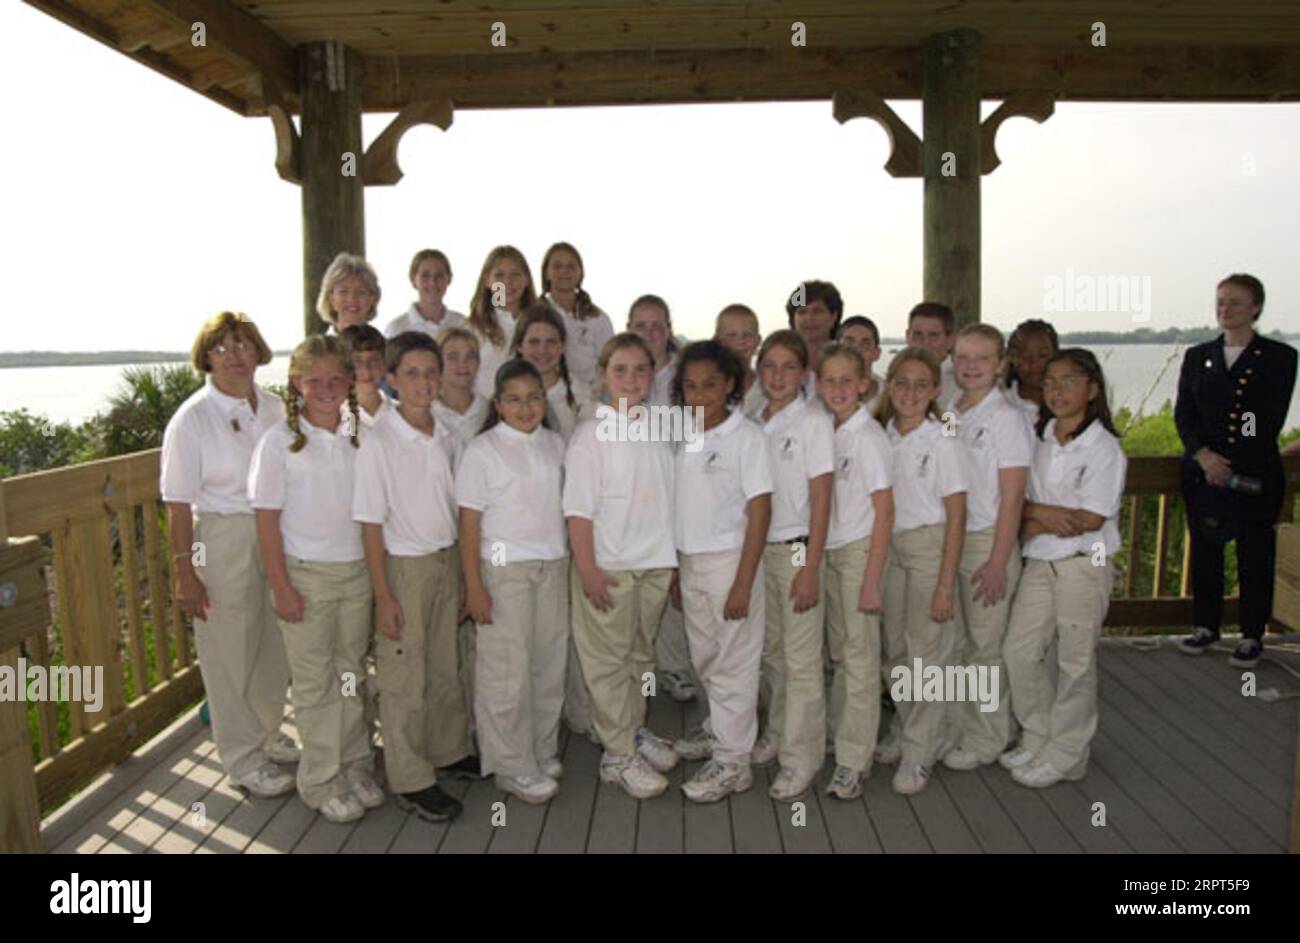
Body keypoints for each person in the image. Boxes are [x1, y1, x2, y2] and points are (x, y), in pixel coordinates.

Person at [161, 312, 295, 800]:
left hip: (276, 533)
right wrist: (186, 572)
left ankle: (265, 732)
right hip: (221, 537)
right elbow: (177, 503)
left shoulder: (276, 408)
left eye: (243, 345)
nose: (236, 356)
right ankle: (241, 758)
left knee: (271, 642)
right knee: (228, 651)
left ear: (259, 351)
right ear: (207, 357)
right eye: (223, 348)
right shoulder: (192, 419)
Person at [249, 335, 380, 824]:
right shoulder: (278, 442)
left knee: (350, 676)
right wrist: (281, 585)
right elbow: (265, 521)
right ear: (296, 384)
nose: (325, 389)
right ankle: (320, 779)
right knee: (314, 684)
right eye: (314, 381)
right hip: (305, 576)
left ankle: (353, 763)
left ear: (349, 381)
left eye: (335, 379)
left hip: (356, 573)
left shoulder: (360, 432)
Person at [352, 332, 470, 824]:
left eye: (431, 372)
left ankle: (448, 750)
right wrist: (384, 595)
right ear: (392, 379)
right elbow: (370, 523)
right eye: (413, 373)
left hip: (444, 561)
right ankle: (411, 776)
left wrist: (465, 574)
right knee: (404, 676)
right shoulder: (379, 441)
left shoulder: (446, 431)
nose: (424, 382)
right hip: (404, 568)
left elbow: (458, 509)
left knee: (444, 666)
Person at [1002, 349, 1126, 788]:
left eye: (1069, 381)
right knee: (1019, 651)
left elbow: (1090, 519)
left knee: (1075, 661)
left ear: (1092, 389)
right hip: (1042, 560)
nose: (1057, 390)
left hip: (1084, 563)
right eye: (1050, 382)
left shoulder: (1104, 447)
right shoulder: (1042, 437)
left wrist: (1033, 516)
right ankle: (1039, 733)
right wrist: (1038, 515)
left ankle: (1068, 753)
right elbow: (1021, 506)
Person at [564, 333, 681, 799]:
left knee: (639, 655)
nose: (631, 379)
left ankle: (631, 730)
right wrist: (588, 569)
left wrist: (671, 563)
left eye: (640, 370)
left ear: (653, 376)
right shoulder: (591, 435)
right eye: (620, 370)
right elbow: (578, 512)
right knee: (607, 663)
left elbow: (669, 495)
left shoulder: (662, 426)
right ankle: (617, 755)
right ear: (603, 376)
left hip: (653, 562)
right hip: (609, 567)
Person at [456, 360, 569, 804]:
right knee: (507, 672)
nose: (525, 407)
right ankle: (510, 765)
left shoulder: (556, 445)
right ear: (499, 405)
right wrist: (474, 587)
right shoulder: (482, 451)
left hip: (552, 566)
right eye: (514, 399)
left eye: (534, 397)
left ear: (545, 400)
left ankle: (540, 749)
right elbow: (469, 524)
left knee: (547, 664)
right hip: (504, 571)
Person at [1176, 274, 1298, 668]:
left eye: (1236, 302)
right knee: (1206, 552)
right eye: (1221, 301)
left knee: (1255, 556)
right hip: (1203, 471)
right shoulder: (1198, 356)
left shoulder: (1279, 357)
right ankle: (1205, 627)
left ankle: (1250, 634)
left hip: (1253, 473)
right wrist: (1204, 455)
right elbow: (1186, 413)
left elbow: (1261, 418)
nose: (1225, 309)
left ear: (1256, 308)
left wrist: (1231, 461)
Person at [670, 341, 773, 803]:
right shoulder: (682, 435)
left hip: (731, 563)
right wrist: (676, 568)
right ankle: (720, 730)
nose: (701, 393)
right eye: (691, 385)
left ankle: (734, 763)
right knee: (706, 658)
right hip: (690, 562)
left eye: (711, 383)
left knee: (734, 664)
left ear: (730, 384)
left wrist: (744, 582)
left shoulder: (746, 436)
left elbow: (760, 510)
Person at [877, 347, 967, 796]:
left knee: (924, 655)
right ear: (888, 385)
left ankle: (920, 752)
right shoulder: (884, 435)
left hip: (929, 547)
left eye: (920, 385)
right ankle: (907, 727)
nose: (909, 393)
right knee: (894, 651)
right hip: (890, 548)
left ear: (934, 390)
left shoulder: (942, 439)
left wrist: (945, 585)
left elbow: (957, 515)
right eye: (901, 383)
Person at [750, 330, 834, 802]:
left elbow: (823, 500)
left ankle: (801, 758)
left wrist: (810, 566)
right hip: (760, 551)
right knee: (774, 654)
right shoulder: (754, 418)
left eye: (788, 367)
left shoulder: (813, 422)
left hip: (797, 548)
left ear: (804, 374)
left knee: (802, 663)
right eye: (769, 366)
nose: (777, 376)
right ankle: (779, 732)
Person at [943, 325, 1031, 772]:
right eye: (963, 357)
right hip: (950, 538)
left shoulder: (1007, 418)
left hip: (986, 542)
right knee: (957, 643)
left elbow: (1013, 496)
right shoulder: (950, 408)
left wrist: (999, 561)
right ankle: (960, 726)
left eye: (982, 358)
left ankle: (989, 736)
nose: (970, 366)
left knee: (985, 646)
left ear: (1000, 365)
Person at [817, 342, 893, 800]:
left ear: (865, 385)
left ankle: (853, 760)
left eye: (848, 380)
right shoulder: (831, 430)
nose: (839, 388)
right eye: (830, 380)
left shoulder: (869, 438)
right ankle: (841, 736)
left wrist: (871, 579)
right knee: (843, 655)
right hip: (831, 551)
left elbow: (885, 512)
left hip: (859, 553)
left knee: (861, 658)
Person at [541, 242, 615, 397]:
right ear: (546, 272)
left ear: (580, 273)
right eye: (557, 266)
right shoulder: (534, 315)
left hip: (592, 400)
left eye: (571, 266)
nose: (564, 272)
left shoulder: (598, 318)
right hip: (545, 398)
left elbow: (610, 364)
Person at [511, 302, 591, 443]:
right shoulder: (504, 394)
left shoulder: (582, 396)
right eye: (534, 342)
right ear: (519, 346)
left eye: (551, 342)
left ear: (562, 346)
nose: (542, 350)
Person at [466, 245, 538, 399]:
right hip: (483, 415)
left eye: (515, 274)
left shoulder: (541, 325)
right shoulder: (472, 328)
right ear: (487, 281)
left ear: (526, 279)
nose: (507, 282)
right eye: (499, 275)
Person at [383, 249, 464, 339]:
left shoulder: (462, 325)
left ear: (449, 279)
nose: (433, 282)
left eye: (439, 275)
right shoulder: (397, 329)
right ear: (413, 279)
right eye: (425, 275)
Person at [431, 325, 490, 445]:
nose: (463, 364)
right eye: (453, 357)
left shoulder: (489, 411)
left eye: (470, 357)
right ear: (437, 362)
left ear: (478, 363)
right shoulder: (428, 412)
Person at [786, 280, 842, 400]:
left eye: (817, 311)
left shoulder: (848, 363)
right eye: (802, 312)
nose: (809, 318)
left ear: (833, 317)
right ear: (793, 320)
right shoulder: (780, 367)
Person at [628, 293, 682, 408]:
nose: (648, 334)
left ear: (668, 330)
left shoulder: (686, 374)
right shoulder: (616, 377)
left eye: (656, 326)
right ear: (629, 329)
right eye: (640, 326)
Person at [714, 303, 764, 417]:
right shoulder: (708, 389)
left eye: (747, 335)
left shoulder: (767, 388)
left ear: (758, 341)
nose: (740, 341)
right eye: (731, 335)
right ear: (718, 340)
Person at [1004, 319, 1059, 420]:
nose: (1035, 363)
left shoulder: (1070, 403)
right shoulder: (1001, 402)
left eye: (1043, 355)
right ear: (1012, 358)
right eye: (1026, 356)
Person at [906, 302, 958, 406]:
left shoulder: (961, 384)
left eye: (933, 335)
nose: (925, 342)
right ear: (907, 336)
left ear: (950, 341)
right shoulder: (895, 379)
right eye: (918, 334)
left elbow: (952, 422)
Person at [340, 324, 390, 426]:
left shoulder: (402, 414)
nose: (366, 369)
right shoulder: (336, 416)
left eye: (374, 360)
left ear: (385, 363)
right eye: (356, 361)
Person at [317, 252, 381, 332]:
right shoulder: (319, 344)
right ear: (331, 298)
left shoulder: (385, 343)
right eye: (343, 291)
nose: (352, 299)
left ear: (372, 298)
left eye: (361, 292)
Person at [835, 316, 884, 413]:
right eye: (848, 342)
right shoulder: (823, 393)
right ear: (835, 350)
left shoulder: (889, 395)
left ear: (877, 353)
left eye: (865, 344)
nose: (856, 350)